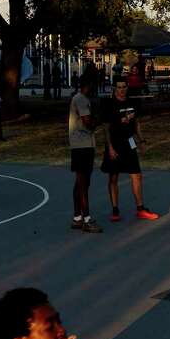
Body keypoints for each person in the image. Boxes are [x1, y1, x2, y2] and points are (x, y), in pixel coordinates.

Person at [100, 78, 158, 222]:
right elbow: (106, 129)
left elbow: (136, 124)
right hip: (115, 143)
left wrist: (141, 140)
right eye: (119, 87)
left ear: (127, 88)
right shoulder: (109, 104)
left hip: (130, 142)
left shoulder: (132, 103)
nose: (121, 89)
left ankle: (140, 209)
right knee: (113, 177)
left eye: (124, 87)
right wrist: (110, 148)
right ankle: (115, 210)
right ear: (114, 88)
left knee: (136, 175)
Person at [68, 73, 102, 233]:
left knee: (80, 182)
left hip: (81, 144)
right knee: (83, 183)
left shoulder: (81, 99)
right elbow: (88, 122)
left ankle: (77, 217)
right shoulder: (81, 99)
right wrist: (98, 120)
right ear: (87, 85)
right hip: (82, 145)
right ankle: (86, 218)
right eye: (93, 85)